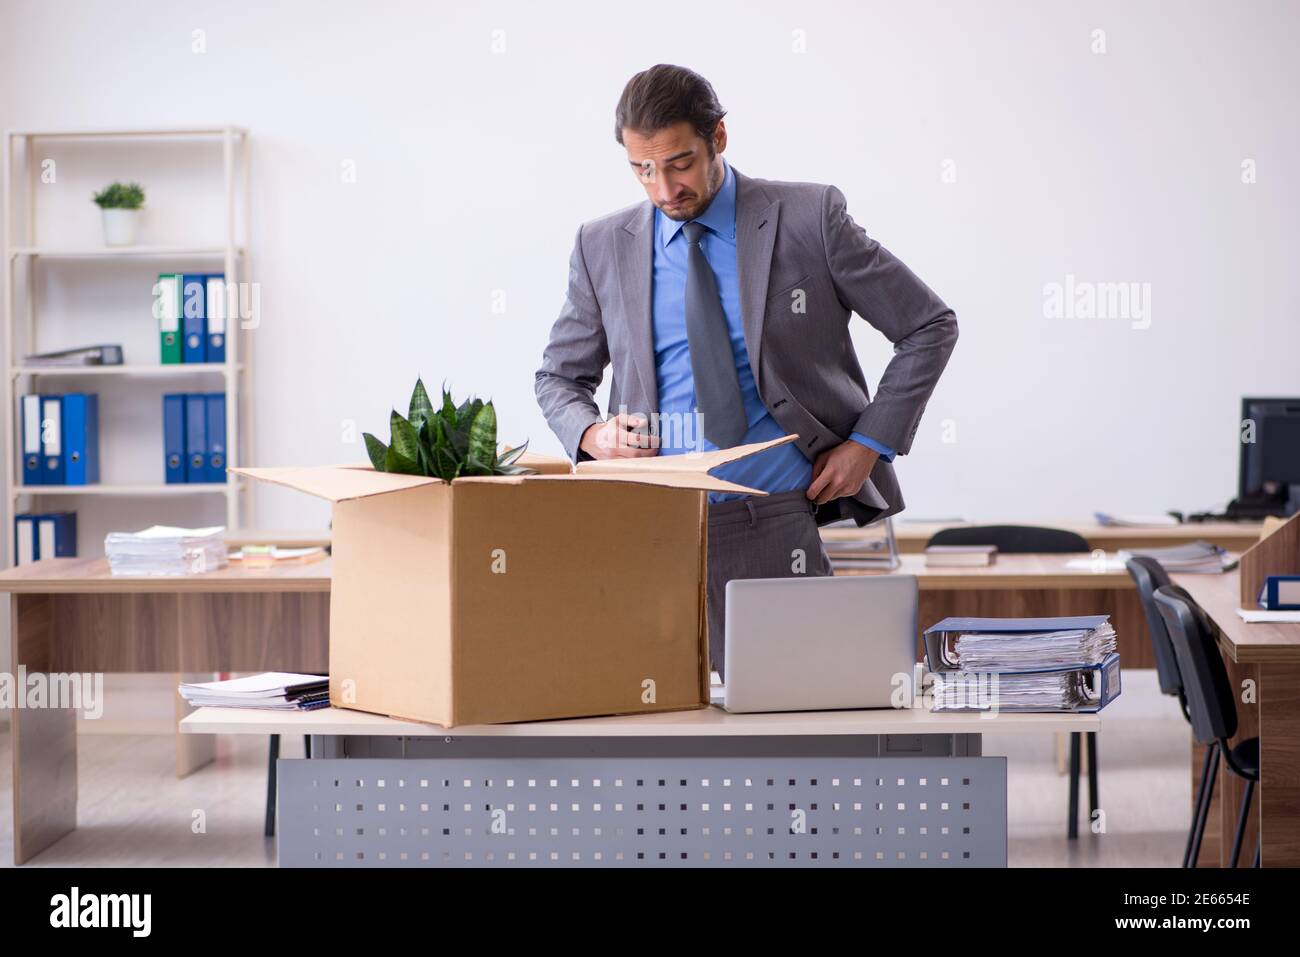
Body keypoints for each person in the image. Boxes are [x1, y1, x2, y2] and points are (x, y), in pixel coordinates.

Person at [536, 64, 957, 679]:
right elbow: (558, 378)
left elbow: (928, 325)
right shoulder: (603, 244)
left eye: (678, 163)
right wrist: (591, 436)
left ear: (719, 139)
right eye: (642, 169)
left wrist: (868, 444)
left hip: (774, 517)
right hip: (650, 526)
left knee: (795, 728)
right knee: (651, 741)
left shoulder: (810, 218)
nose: (663, 189)